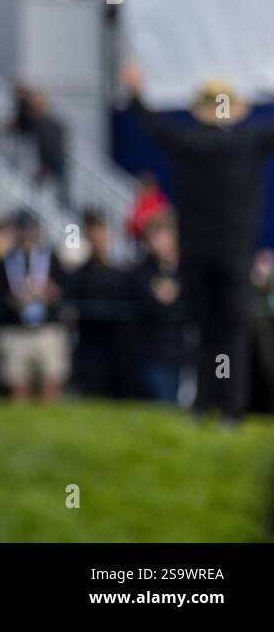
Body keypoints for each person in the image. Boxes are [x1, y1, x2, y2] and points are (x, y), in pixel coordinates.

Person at [123, 63, 274, 422]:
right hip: (235, 255)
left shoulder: (187, 143)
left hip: (196, 253)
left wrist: (134, 92)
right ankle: (231, 411)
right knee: (232, 333)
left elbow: (151, 124)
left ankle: (204, 404)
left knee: (204, 331)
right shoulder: (249, 142)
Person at [0, 212, 70, 401]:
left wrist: (52, 293)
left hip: (46, 329)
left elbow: (66, 290)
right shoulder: (5, 262)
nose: (26, 235)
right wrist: (13, 298)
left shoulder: (51, 259)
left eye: (30, 230)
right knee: (18, 386)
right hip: (16, 330)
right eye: (22, 230)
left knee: (52, 383)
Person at [65, 210, 134, 398]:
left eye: (102, 235)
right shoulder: (79, 275)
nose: (99, 241)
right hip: (91, 350)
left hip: (117, 350)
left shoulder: (122, 275)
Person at [130, 211, 189, 404]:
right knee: (162, 404)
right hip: (152, 353)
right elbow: (143, 292)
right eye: (155, 237)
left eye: (164, 236)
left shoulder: (185, 270)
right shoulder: (142, 269)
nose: (159, 242)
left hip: (182, 351)